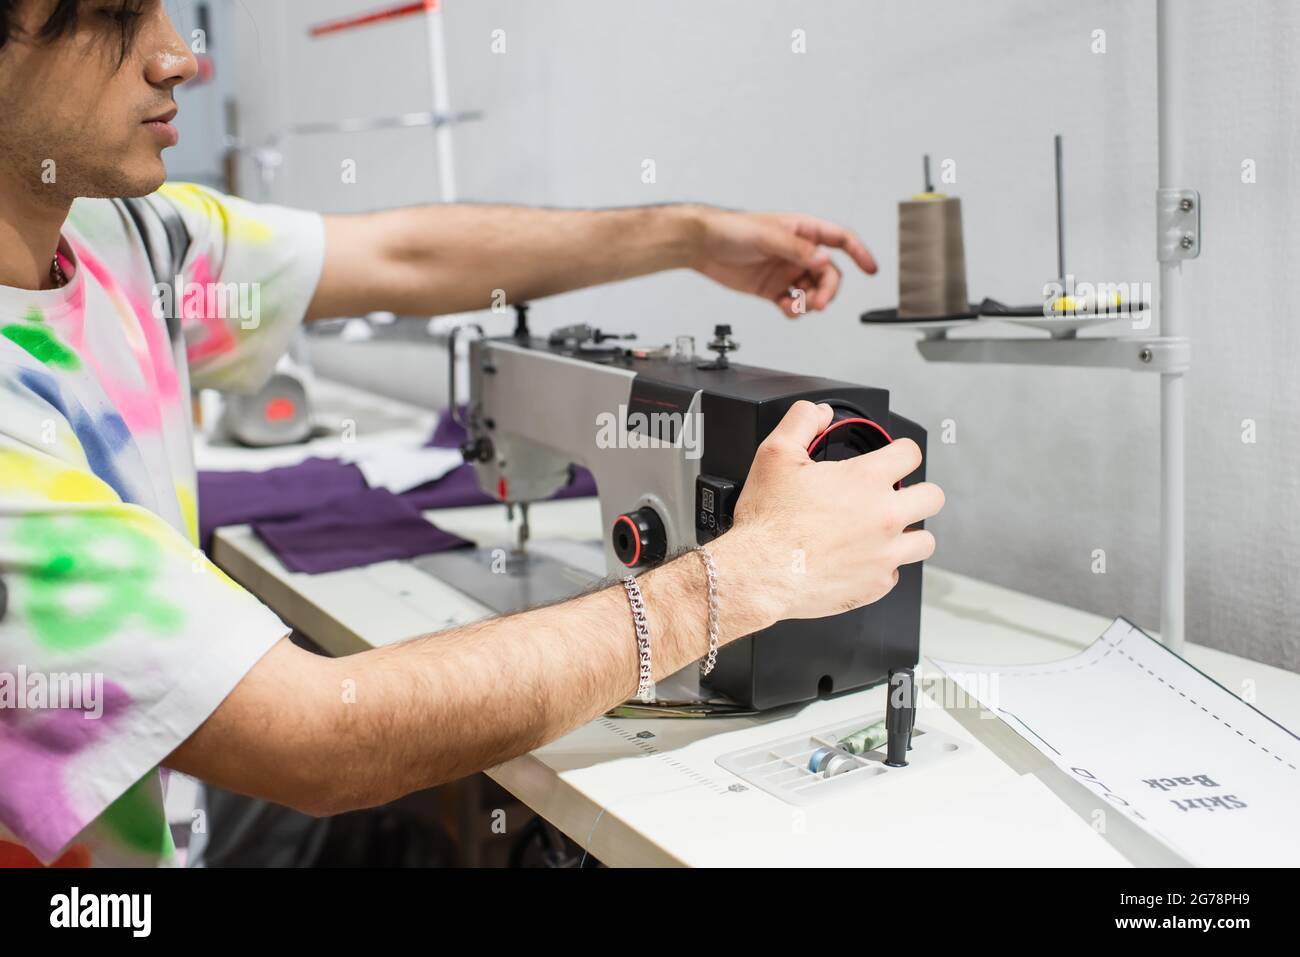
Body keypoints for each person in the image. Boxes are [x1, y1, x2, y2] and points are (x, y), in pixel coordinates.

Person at [0, 0, 944, 868]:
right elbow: (318, 736)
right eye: (119, 15)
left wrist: (688, 235)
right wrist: (738, 580)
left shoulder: (123, 232)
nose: (178, 57)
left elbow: (402, 255)